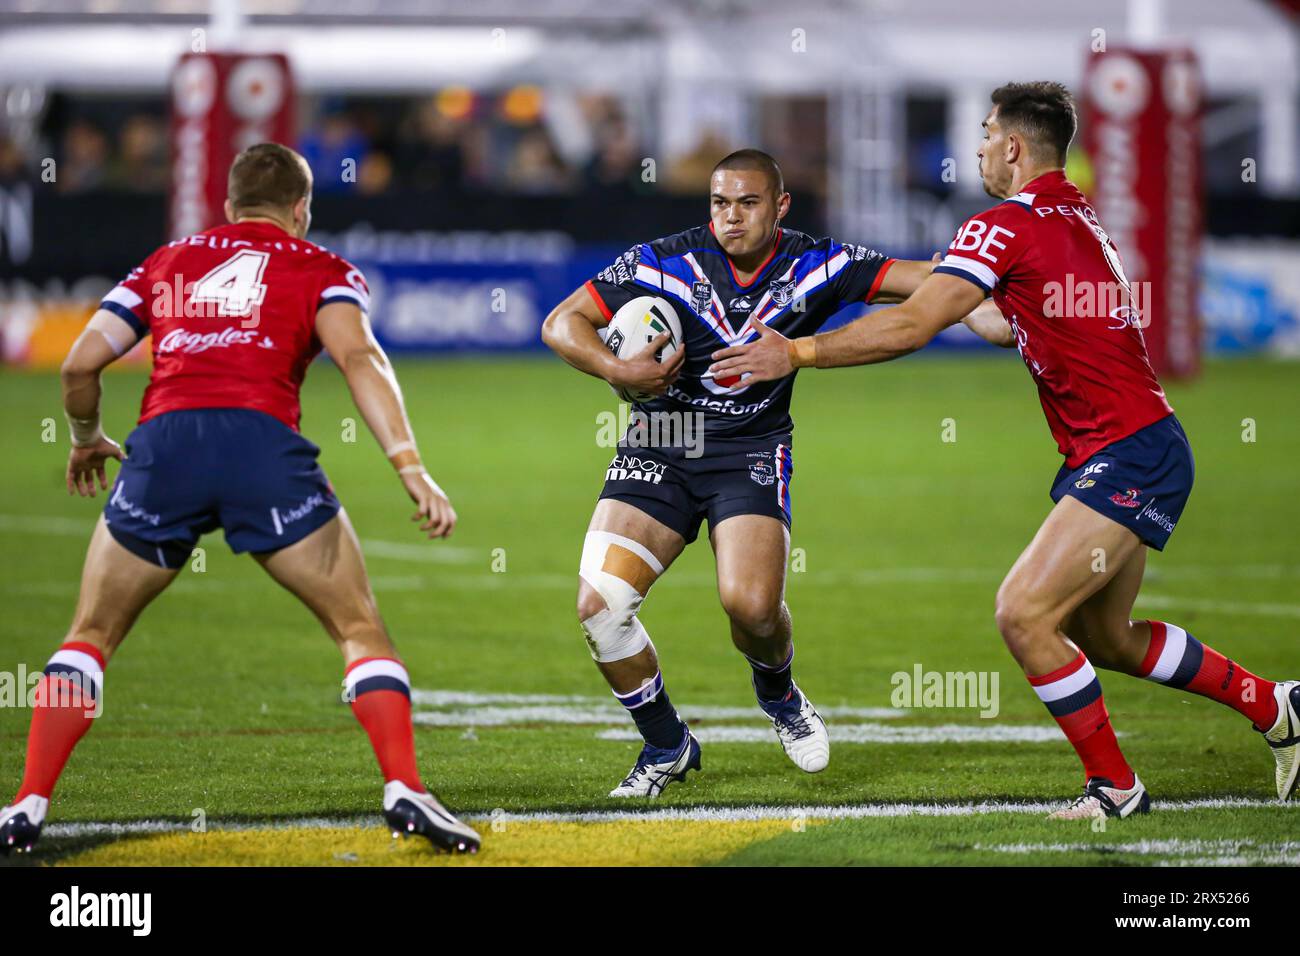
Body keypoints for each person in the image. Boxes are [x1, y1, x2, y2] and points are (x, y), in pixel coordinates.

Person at [706, 83, 1299, 818]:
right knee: (1105, 636)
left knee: (1022, 614)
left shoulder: (1006, 223)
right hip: (1133, 445)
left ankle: (1115, 788)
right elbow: (993, 317)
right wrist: (917, 283)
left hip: (1128, 451)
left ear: (1014, 147)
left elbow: (914, 326)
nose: (980, 147)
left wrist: (794, 351)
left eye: (987, 133)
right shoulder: (1073, 214)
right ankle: (1275, 705)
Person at [0, 143, 480, 854]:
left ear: (226, 206)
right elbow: (360, 358)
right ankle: (405, 789)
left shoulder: (165, 262)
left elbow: (80, 360)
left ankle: (27, 805)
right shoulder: (321, 268)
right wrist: (410, 466)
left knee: (90, 635)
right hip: (263, 451)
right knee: (359, 629)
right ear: (301, 210)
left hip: (163, 449)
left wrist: (85, 435)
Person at [542, 148, 1008, 797]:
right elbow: (562, 321)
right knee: (600, 607)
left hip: (751, 450)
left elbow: (932, 281)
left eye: (748, 203)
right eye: (719, 203)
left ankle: (781, 696)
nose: (731, 217)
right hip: (661, 443)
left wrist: (991, 307)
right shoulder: (661, 261)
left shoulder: (819, 263)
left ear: (780, 206)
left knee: (751, 607)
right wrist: (615, 369)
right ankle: (666, 743)